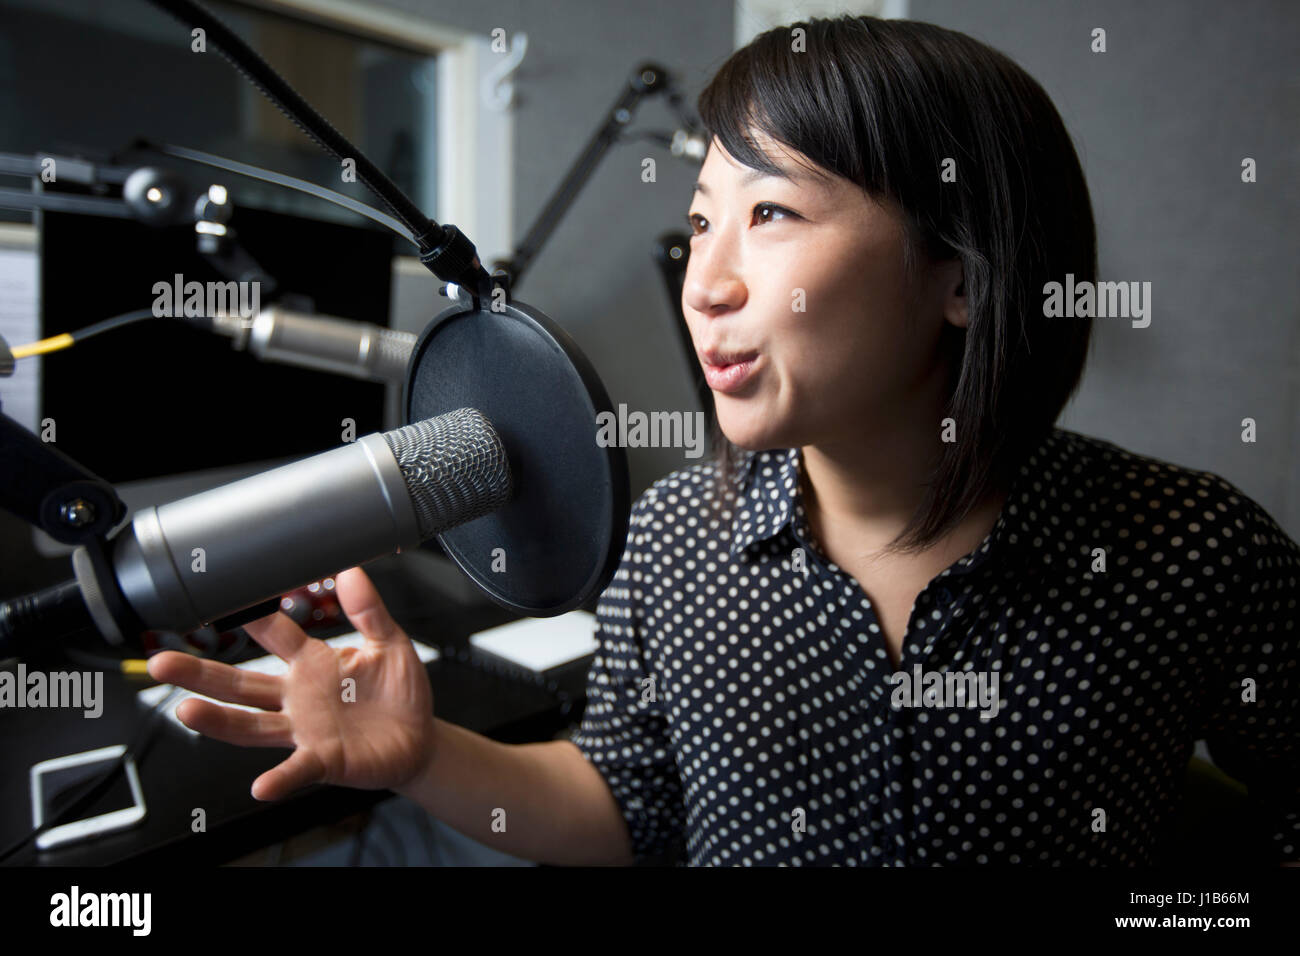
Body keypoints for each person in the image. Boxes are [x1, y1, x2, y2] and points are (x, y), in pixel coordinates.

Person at [147, 14, 1298, 866]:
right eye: (700, 222)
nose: (707, 282)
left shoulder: (1193, 551)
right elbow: (622, 811)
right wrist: (425, 752)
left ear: (958, 270)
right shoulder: (672, 540)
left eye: (771, 213)